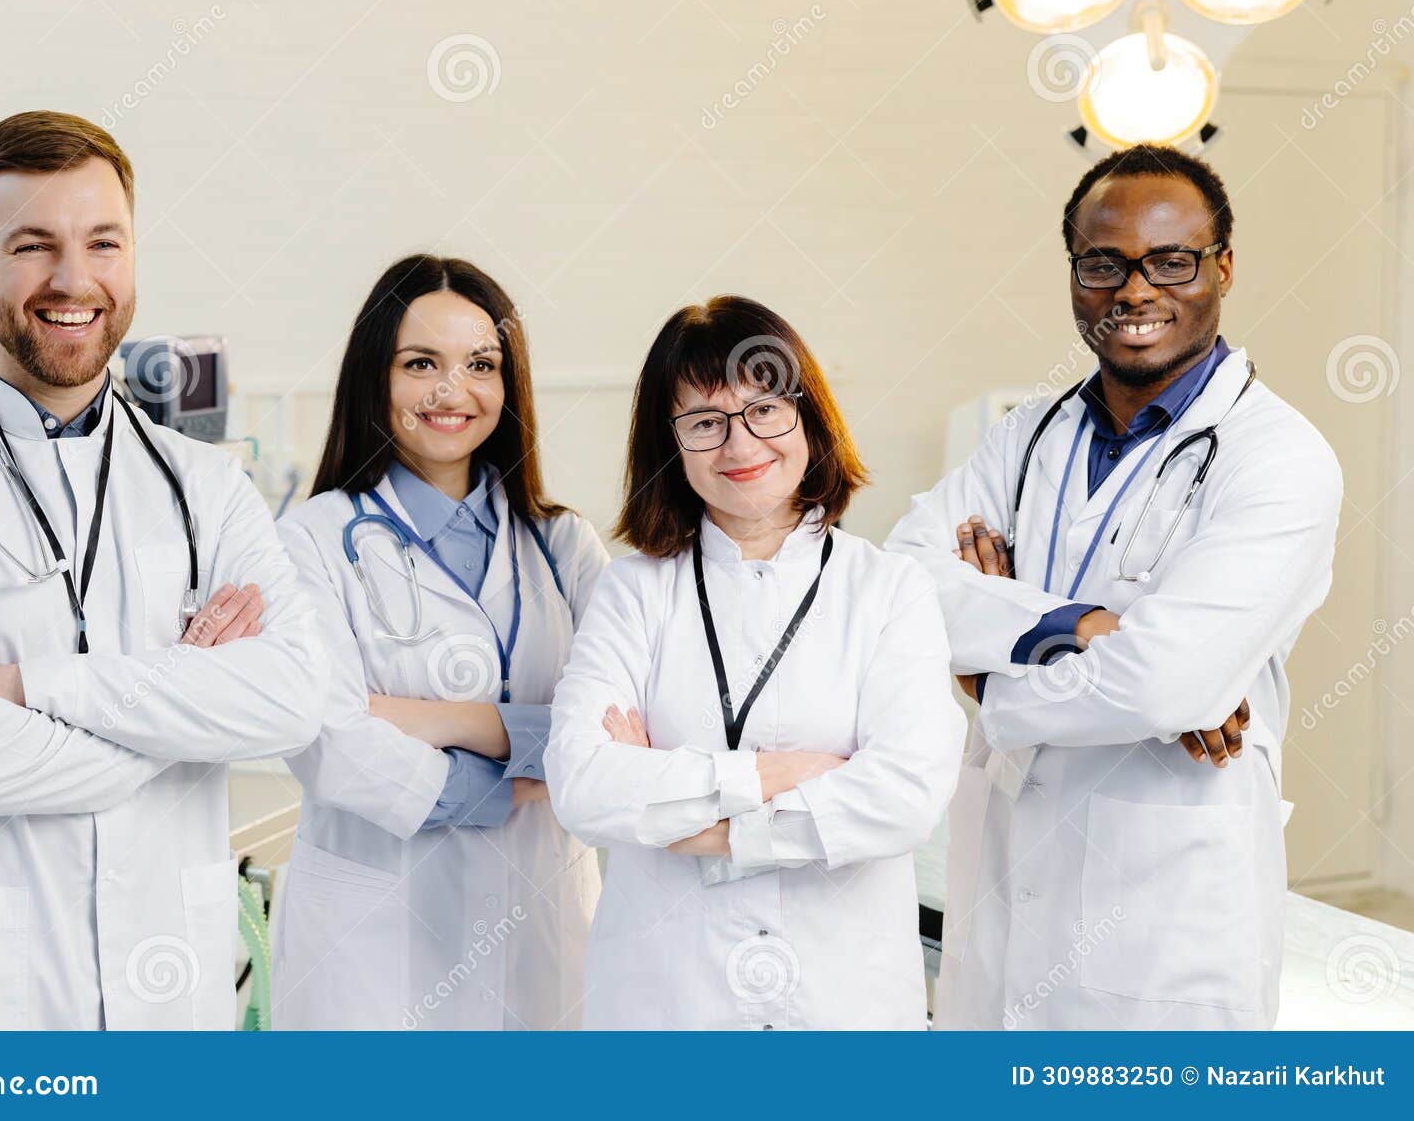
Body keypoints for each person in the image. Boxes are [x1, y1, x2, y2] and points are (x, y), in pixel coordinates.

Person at [0, 111, 327, 1029]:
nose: (74, 279)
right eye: (32, 245)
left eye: (103, 242)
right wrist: (178, 722)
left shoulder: (204, 483)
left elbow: (290, 698)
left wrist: (18, 687)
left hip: (171, 1002)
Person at [884, 144, 1343, 1029]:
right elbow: (901, 579)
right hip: (1004, 900)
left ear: (1224, 268)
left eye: (1172, 260)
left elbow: (1170, 681)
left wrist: (986, 675)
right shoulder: (1025, 435)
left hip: (1163, 930)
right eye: (1105, 262)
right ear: (1075, 274)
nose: (1135, 291)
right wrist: (1088, 625)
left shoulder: (1279, 458)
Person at [545, 296, 963, 1030]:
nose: (739, 444)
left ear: (808, 416)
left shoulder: (890, 588)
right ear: (669, 443)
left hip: (841, 1006)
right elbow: (582, 784)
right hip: (667, 1003)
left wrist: (695, 824)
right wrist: (781, 774)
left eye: (764, 408)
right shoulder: (633, 592)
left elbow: (905, 796)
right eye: (705, 421)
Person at [269, 254, 608, 1030]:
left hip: (540, 922)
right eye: (421, 362)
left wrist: (447, 719)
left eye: (480, 365)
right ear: (374, 378)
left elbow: (624, 728)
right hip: (372, 944)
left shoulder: (563, 545)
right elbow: (325, 735)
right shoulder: (310, 540)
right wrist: (509, 778)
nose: (452, 391)